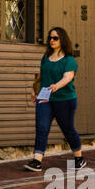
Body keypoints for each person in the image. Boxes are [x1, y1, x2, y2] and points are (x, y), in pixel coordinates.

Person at [23, 26, 87, 172]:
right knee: (42, 127)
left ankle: (79, 158)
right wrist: (34, 90)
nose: (52, 40)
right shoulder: (46, 58)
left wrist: (57, 86)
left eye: (55, 38)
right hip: (45, 98)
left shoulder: (69, 60)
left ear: (62, 40)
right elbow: (41, 75)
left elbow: (68, 77)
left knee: (68, 129)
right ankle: (37, 161)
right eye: (50, 38)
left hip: (64, 100)